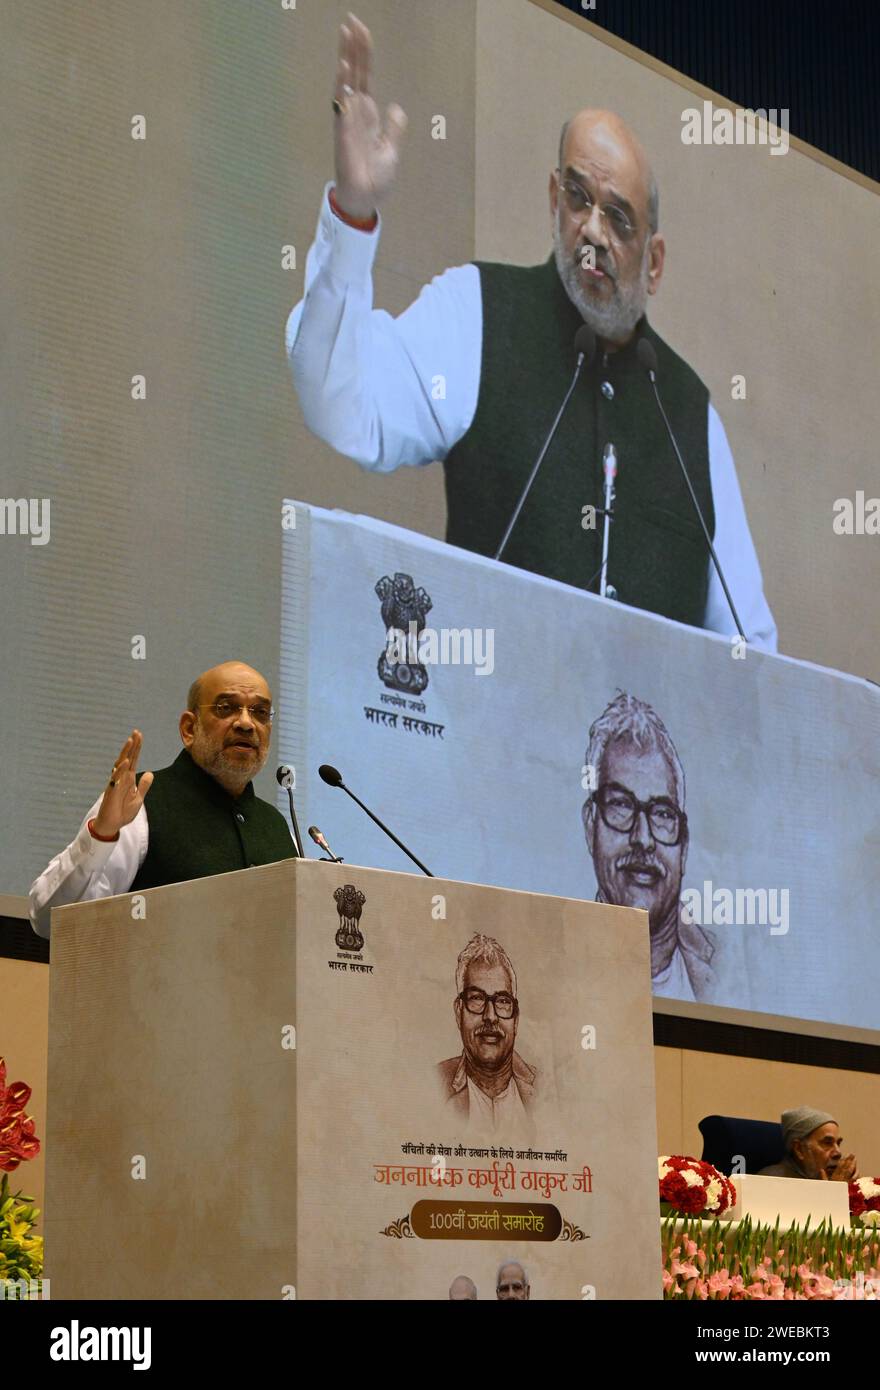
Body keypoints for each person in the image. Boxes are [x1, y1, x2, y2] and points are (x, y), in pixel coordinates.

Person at [287, 13, 777, 649]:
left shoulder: (692, 413)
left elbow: (750, 649)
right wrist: (353, 215)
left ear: (653, 263)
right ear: (553, 199)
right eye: (579, 198)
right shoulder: (478, 312)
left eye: (620, 219)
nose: (593, 232)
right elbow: (340, 404)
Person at [29, 661, 296, 938]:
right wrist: (101, 836)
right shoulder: (139, 804)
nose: (245, 723)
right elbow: (51, 921)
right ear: (190, 729)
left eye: (260, 712)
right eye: (226, 708)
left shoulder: (277, 827)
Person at [583, 691, 715, 1001]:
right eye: (621, 805)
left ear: (683, 845)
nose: (643, 837)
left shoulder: (728, 970)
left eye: (662, 814)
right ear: (591, 826)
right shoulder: (548, 965)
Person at [437, 935, 536, 1131]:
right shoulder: (431, 1086)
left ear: (515, 1018)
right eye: (477, 998)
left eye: (502, 1001)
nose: (490, 1016)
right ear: (459, 1012)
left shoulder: (547, 1091)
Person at [759, 1107, 858, 1181]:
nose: (838, 1153)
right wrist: (834, 1191)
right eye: (827, 1143)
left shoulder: (834, 1178)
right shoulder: (771, 1180)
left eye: (838, 1143)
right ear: (799, 1149)